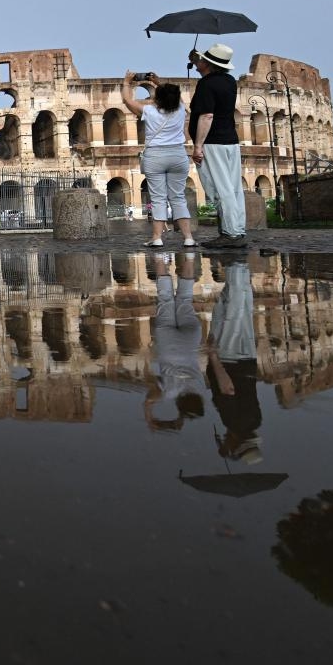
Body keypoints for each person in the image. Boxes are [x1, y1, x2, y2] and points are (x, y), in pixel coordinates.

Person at [121, 71, 196, 248]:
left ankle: (157, 237)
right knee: (178, 197)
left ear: (158, 98)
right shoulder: (179, 108)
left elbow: (127, 101)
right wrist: (158, 82)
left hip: (155, 155)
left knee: (158, 199)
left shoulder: (149, 111)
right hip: (178, 154)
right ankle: (188, 238)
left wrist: (126, 83)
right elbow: (172, 97)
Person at [188, 43, 246, 248]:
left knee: (222, 189)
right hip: (231, 140)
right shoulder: (230, 81)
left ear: (208, 64)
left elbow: (206, 115)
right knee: (234, 188)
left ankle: (230, 234)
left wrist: (197, 146)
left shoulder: (206, 85)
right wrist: (194, 60)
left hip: (213, 141)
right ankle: (237, 230)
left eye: (202, 60)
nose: (199, 62)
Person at [206, 258, 262, 463]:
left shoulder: (255, 421)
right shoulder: (234, 422)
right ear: (238, 444)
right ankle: (235, 264)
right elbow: (228, 389)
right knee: (230, 310)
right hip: (230, 360)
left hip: (248, 359)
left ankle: (241, 269)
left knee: (242, 311)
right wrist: (213, 356)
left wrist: (226, 445)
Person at [144, 251, 205, 433]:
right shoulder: (171, 392)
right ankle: (160, 257)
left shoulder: (201, 389)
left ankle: (190, 256)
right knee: (165, 298)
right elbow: (150, 399)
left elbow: (190, 406)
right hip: (167, 345)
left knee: (185, 299)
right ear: (179, 405)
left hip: (190, 341)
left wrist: (180, 419)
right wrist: (150, 417)